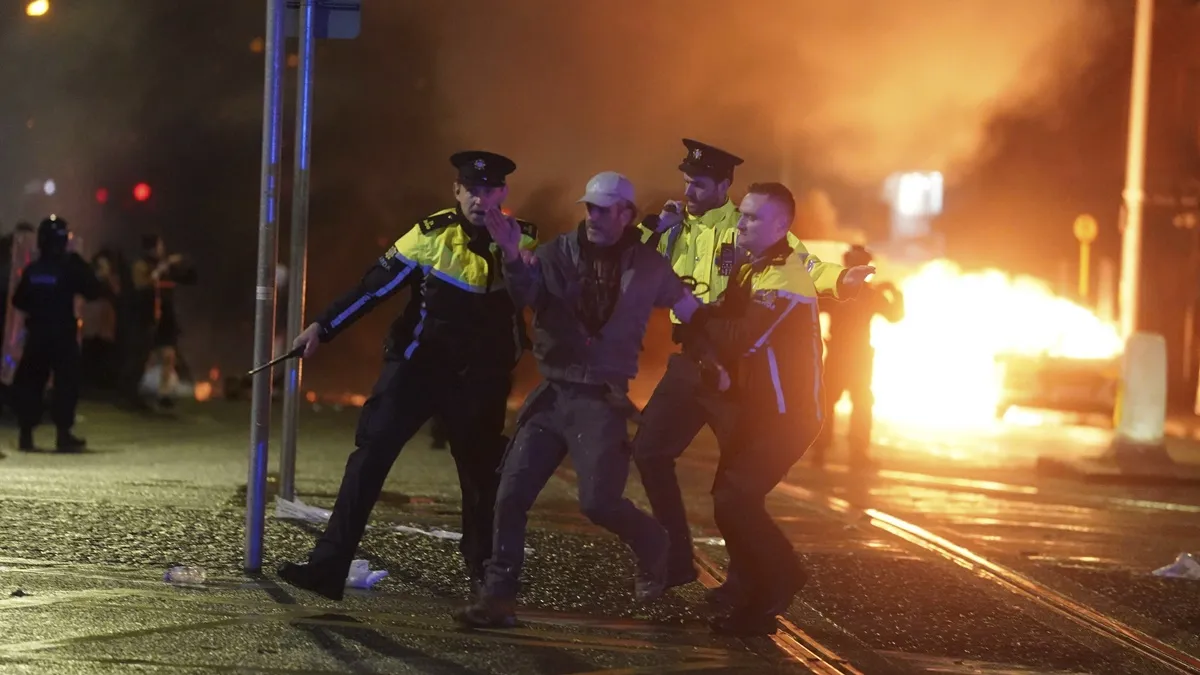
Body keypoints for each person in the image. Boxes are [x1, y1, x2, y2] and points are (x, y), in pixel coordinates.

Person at [277, 150, 537, 601]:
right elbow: (373, 287)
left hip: (480, 380)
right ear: (456, 190)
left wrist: (513, 254)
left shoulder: (525, 241)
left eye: (490, 190)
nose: (480, 199)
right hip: (417, 369)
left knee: (481, 480)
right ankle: (327, 568)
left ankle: (485, 580)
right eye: (471, 189)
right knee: (369, 457)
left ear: (503, 193)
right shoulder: (428, 235)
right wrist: (323, 327)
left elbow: (539, 303)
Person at [453, 171, 703, 629]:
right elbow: (524, 297)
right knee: (509, 495)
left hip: (601, 399)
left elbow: (690, 312)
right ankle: (497, 597)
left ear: (626, 215)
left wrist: (723, 348)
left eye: (605, 210)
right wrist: (510, 254)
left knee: (599, 503)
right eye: (590, 207)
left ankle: (655, 544)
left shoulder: (648, 266)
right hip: (553, 393)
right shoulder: (554, 254)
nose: (594, 217)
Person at [633, 139, 871, 600]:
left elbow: (802, 265)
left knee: (734, 485)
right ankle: (675, 558)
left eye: (699, 184)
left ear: (724, 186)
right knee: (648, 451)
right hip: (691, 356)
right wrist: (651, 227)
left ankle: (744, 580)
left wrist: (841, 282)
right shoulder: (673, 226)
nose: (690, 191)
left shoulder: (747, 225)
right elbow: (631, 259)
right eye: (687, 182)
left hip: (734, 367)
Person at [676, 182, 863, 636]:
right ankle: (754, 589)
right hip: (758, 409)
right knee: (729, 501)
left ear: (781, 226)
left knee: (735, 497)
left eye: (753, 218)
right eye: (742, 214)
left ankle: (780, 579)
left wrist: (692, 311)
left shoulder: (785, 275)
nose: (741, 223)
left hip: (790, 415)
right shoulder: (754, 264)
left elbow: (742, 337)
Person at [11, 216, 108, 452]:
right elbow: (93, 291)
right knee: (66, 383)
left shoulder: (34, 269)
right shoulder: (70, 265)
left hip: (37, 335)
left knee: (31, 382)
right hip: (62, 334)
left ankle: (26, 435)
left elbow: (19, 300)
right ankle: (63, 435)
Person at [810, 245, 904, 470]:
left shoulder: (844, 291)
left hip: (851, 355)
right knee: (838, 402)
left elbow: (895, 317)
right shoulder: (860, 293)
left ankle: (838, 451)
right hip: (849, 355)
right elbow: (895, 316)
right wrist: (893, 292)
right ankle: (836, 451)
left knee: (847, 402)